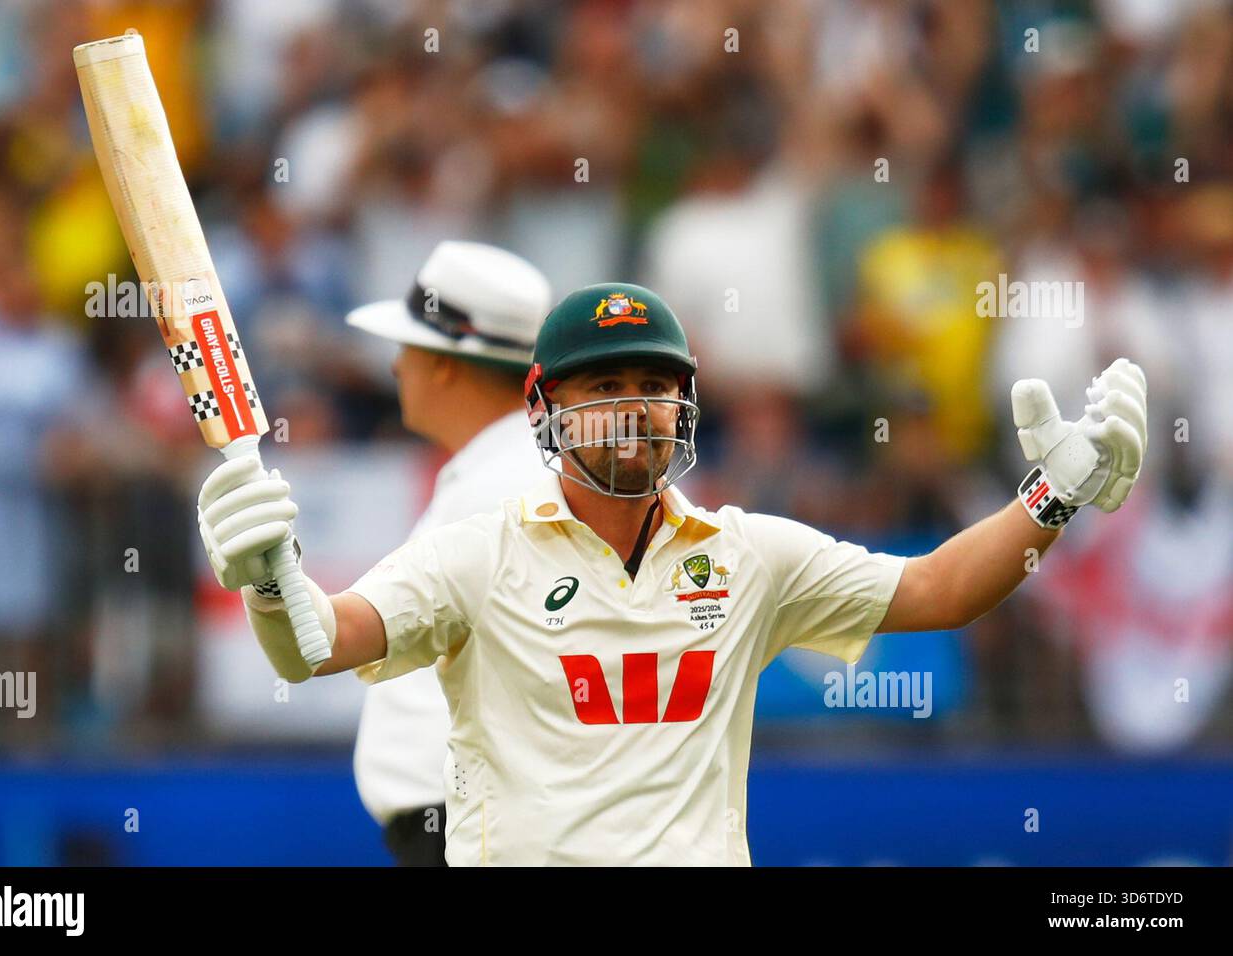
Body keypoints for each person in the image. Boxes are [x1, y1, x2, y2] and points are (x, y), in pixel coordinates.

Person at [197, 282, 1148, 866]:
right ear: (544, 405)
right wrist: (267, 579)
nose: (634, 409)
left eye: (654, 388)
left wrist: (1053, 496)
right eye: (604, 387)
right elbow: (317, 645)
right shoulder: (478, 552)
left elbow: (940, 590)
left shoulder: (747, 554)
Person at [341, 240, 551, 865]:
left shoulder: (502, 487)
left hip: (470, 831)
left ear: (445, 364)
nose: (394, 366)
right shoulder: (515, 472)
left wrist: (265, 580)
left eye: (407, 347)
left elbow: (339, 639)